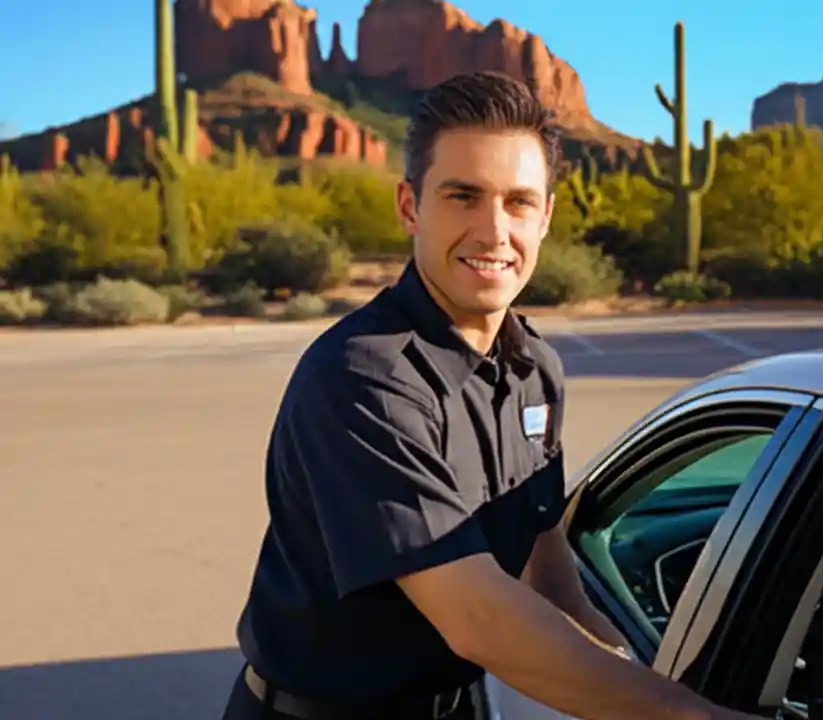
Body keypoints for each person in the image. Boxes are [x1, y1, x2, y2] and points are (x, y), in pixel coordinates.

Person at [220, 71, 763, 720]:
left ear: (547, 217)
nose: (493, 231)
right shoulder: (362, 378)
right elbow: (478, 616)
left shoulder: (537, 369)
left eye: (518, 202)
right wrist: (689, 716)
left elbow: (547, 567)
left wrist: (626, 671)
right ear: (409, 206)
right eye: (463, 196)